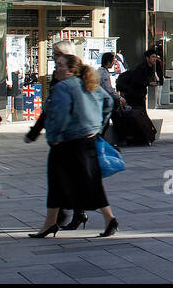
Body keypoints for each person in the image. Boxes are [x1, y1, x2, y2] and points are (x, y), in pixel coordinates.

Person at [29, 53, 118, 239]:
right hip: (88, 140)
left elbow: (60, 114)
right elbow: (109, 101)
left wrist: (54, 137)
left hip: (67, 142)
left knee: (55, 182)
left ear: (71, 69)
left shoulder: (63, 87)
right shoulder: (88, 83)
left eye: (60, 65)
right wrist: (99, 126)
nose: (56, 68)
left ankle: (50, 223)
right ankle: (109, 219)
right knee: (92, 181)